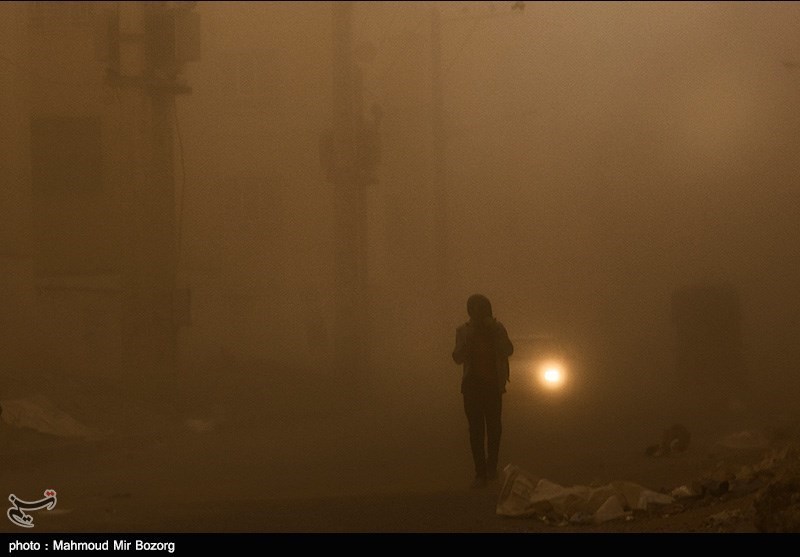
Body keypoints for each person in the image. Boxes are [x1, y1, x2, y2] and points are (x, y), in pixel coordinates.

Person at [452, 294, 514, 488]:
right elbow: (457, 358)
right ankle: (480, 473)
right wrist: (468, 342)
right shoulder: (463, 331)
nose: (479, 313)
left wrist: (494, 331)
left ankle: (491, 468)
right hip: (472, 386)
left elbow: (508, 350)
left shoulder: (497, 328)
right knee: (476, 430)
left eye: (483, 309)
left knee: (494, 428)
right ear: (470, 311)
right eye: (475, 309)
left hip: (493, 385)